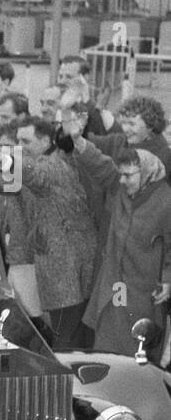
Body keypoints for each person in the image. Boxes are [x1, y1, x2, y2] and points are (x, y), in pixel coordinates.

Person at [66, 129, 171, 358]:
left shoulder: (166, 202)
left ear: (147, 174)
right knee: (110, 333)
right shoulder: (122, 190)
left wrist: (167, 279)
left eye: (128, 175)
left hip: (145, 292)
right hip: (117, 285)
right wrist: (79, 141)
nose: (122, 180)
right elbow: (103, 168)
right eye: (121, 175)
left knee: (135, 344)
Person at [4, 116, 98, 348]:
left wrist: (9, 162)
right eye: (17, 141)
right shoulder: (49, 162)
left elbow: (35, 175)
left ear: (46, 140)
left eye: (26, 141)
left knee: (66, 340)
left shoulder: (52, 166)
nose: (20, 146)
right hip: (59, 268)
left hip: (66, 270)